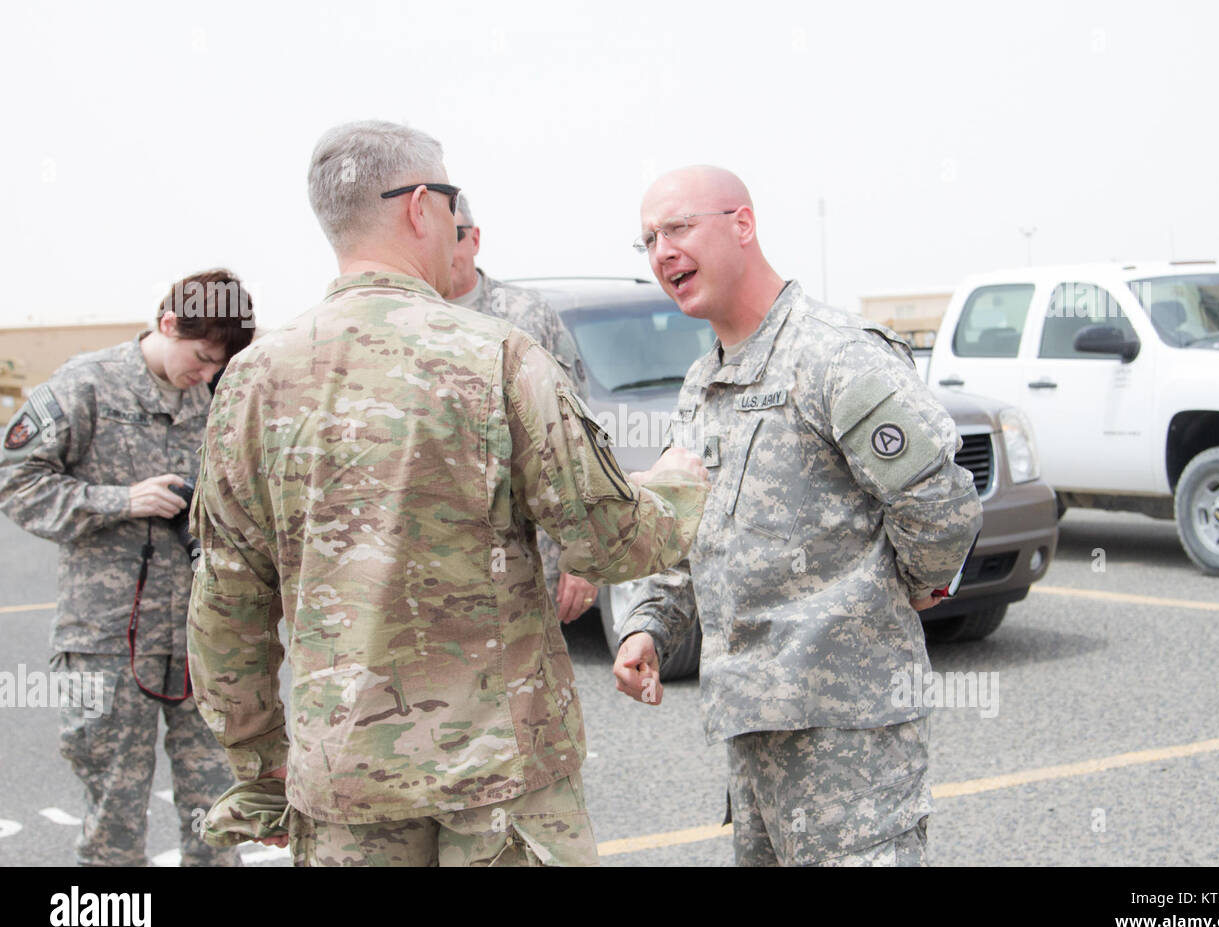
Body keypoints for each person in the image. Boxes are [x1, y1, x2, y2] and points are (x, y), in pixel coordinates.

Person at [185, 120, 709, 867]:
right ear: (420, 207)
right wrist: (680, 484)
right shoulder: (494, 355)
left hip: (346, 781)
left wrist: (259, 766)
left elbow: (225, 605)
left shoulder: (253, 381)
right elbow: (611, 540)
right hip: (502, 781)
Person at [612, 166, 982, 867]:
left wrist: (906, 587)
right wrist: (649, 626)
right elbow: (690, 528)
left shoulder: (833, 354)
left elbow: (938, 504)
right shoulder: (704, 383)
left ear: (742, 225)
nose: (661, 251)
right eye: (648, 239)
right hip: (753, 733)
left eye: (679, 228)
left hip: (850, 737)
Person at [0, 269, 256, 866]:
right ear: (168, 324)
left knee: (218, 811)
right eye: (201, 357)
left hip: (202, 639)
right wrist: (119, 500)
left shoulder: (220, 395)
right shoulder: (85, 385)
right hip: (109, 639)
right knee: (113, 817)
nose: (207, 374)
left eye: (219, 365)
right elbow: (14, 480)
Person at [446, 196, 598, 623]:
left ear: (474, 239)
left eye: (455, 235)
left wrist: (583, 553)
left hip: (528, 555)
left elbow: (576, 433)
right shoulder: (405, 323)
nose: (445, 247)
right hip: (437, 563)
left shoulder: (527, 316)